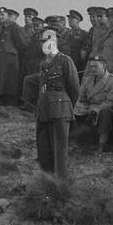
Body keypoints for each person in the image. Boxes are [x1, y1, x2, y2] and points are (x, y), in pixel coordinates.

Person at [31, 30, 80, 179]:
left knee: (59, 151)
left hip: (60, 110)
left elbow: (74, 88)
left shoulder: (65, 61)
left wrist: (65, 105)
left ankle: (61, 185)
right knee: (44, 149)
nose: (44, 44)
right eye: (42, 42)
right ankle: (47, 182)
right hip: (44, 110)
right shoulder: (43, 63)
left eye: (47, 41)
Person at [73, 56, 113, 152]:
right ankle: (75, 139)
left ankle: (102, 144)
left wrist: (96, 110)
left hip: (106, 112)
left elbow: (110, 102)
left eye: (95, 66)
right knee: (74, 109)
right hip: (90, 108)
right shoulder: (88, 80)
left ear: (103, 66)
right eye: (91, 67)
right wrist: (81, 107)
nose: (92, 69)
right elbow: (81, 98)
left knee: (105, 112)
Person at [0, 9, 24, 107]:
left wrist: (14, 54)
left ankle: (10, 104)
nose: (0, 17)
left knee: (9, 83)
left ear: (8, 16)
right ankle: (0, 102)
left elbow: (20, 44)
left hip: (9, 59)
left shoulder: (14, 27)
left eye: (3, 15)